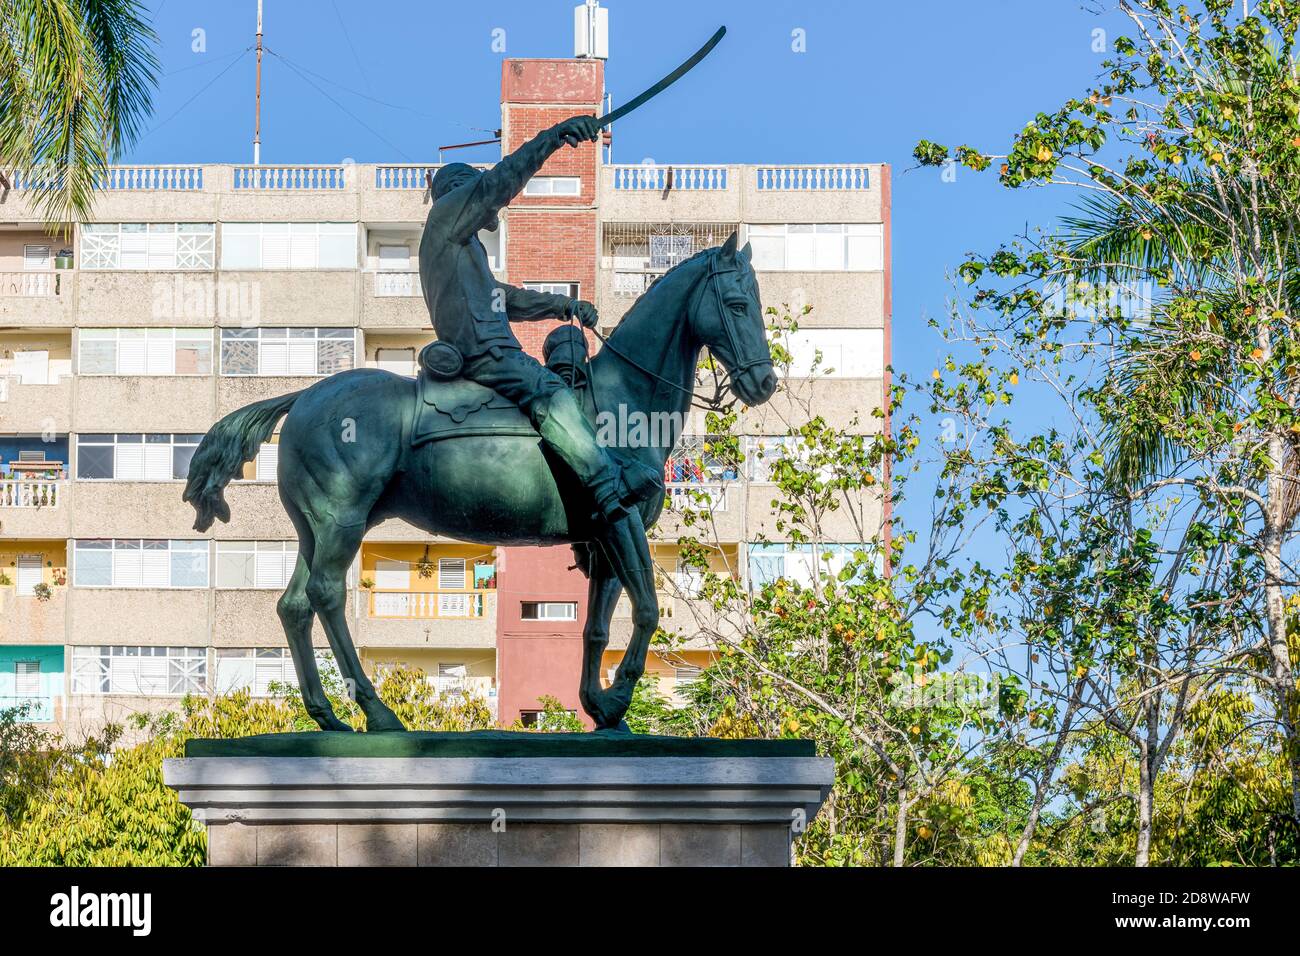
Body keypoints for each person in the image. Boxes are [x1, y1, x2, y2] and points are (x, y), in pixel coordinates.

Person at [418, 115, 647, 522]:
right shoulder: (448, 218)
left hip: (485, 349)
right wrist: (555, 136)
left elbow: (508, 298)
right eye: (473, 186)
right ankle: (605, 484)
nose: (491, 205)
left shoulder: (463, 250)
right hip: (485, 353)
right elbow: (500, 181)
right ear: (458, 192)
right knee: (551, 391)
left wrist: (564, 306)